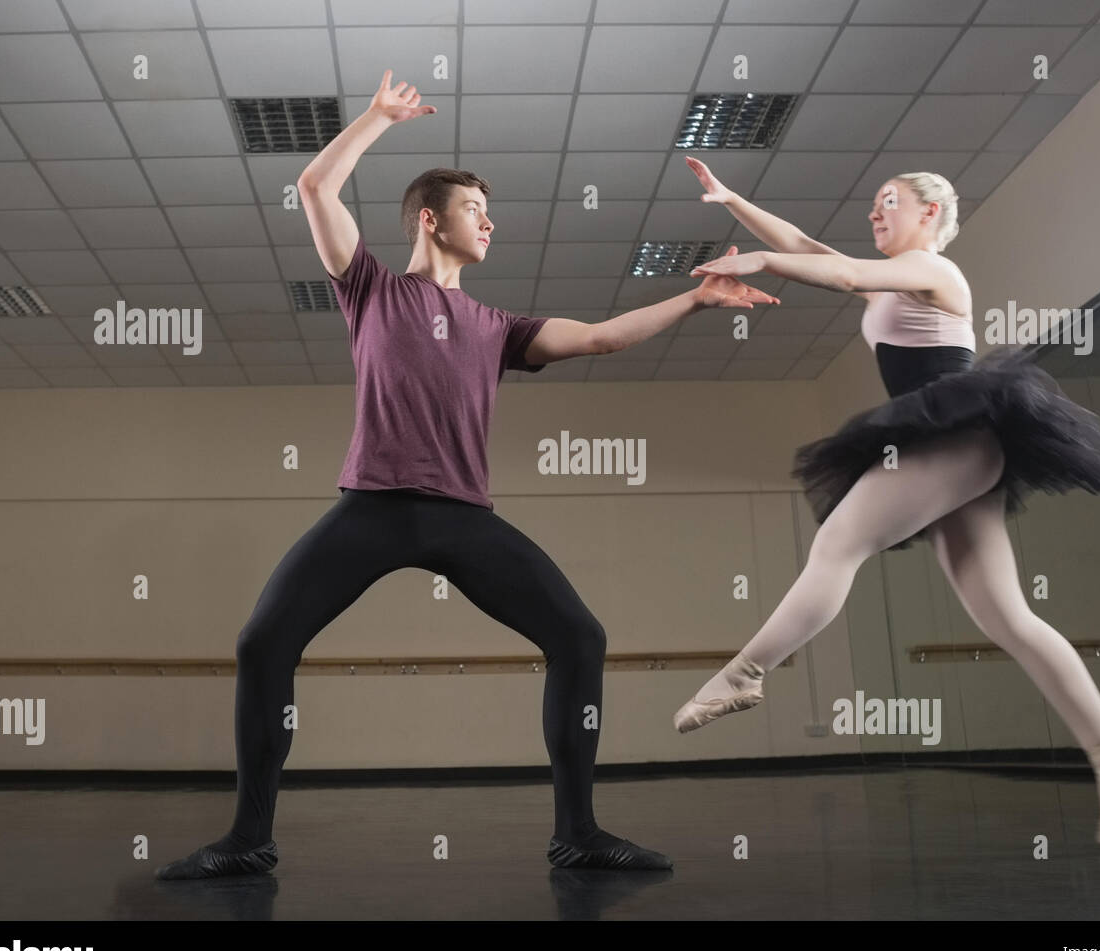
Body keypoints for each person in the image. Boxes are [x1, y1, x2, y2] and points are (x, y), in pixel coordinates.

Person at [156, 73, 777, 879]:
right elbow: (314, 185)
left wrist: (693, 303)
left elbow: (601, 337)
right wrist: (378, 119)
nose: (490, 221)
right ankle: (248, 839)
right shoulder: (371, 290)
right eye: (474, 209)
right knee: (263, 642)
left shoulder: (498, 328)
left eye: (489, 211)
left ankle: (577, 833)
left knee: (579, 637)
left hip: (462, 517)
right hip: (372, 509)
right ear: (429, 219)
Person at [671, 157, 1100, 847]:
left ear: (930, 213)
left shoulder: (935, 271)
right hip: (957, 450)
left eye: (887, 201)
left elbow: (837, 273)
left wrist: (757, 263)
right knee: (1008, 617)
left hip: (955, 438)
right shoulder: (890, 285)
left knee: (840, 544)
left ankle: (743, 673)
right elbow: (815, 250)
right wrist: (732, 201)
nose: (874, 213)